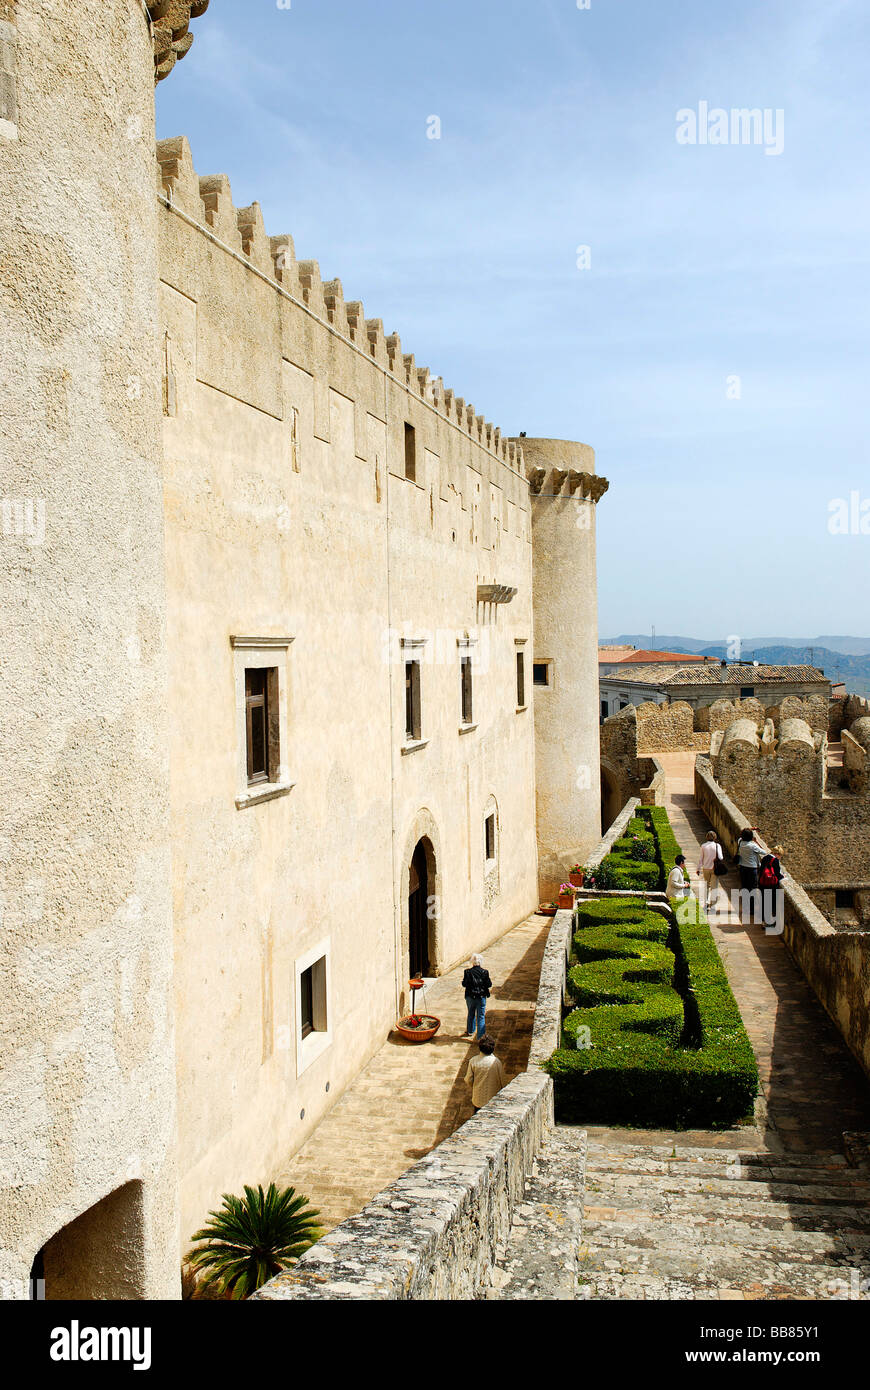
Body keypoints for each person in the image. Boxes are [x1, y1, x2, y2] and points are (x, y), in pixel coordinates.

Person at [464, 1035, 506, 1113]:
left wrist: (475, 1086)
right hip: (492, 1098)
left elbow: (468, 1079)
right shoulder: (496, 1062)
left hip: (478, 1098)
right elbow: (502, 1081)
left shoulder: (473, 1061)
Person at [461, 953, 492, 1040]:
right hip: (481, 997)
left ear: (472, 962)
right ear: (480, 962)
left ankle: (470, 1031)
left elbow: (464, 984)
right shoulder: (485, 972)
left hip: (470, 997)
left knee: (471, 1013)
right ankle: (480, 1037)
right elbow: (489, 984)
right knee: (481, 1016)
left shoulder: (467, 972)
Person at [697, 831, 724, 909]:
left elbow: (701, 859)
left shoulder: (703, 846)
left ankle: (705, 903)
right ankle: (712, 905)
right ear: (715, 837)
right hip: (714, 868)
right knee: (714, 887)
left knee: (706, 886)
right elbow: (721, 857)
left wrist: (698, 868)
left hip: (706, 868)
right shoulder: (717, 846)